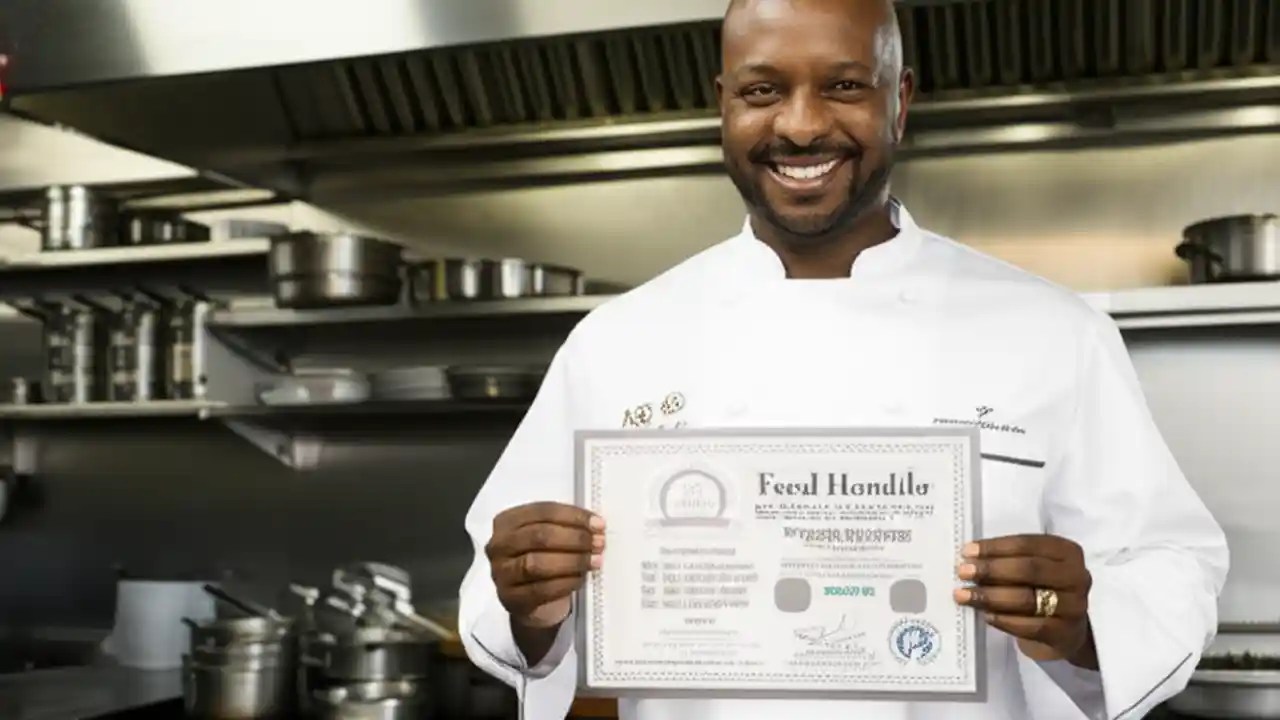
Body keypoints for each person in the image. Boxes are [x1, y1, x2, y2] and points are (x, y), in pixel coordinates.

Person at [456, 0, 1230, 717]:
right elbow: (508, 607)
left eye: (845, 85)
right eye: (762, 91)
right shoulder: (617, 343)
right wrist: (531, 602)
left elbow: (1172, 565)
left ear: (901, 99)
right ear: (722, 101)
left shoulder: (1053, 332)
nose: (800, 126)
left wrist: (1081, 622)